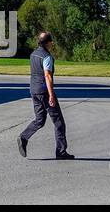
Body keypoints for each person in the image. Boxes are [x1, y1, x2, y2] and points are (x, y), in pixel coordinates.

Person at [18, 32, 73, 160]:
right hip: (43, 91)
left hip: (33, 90)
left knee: (39, 120)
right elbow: (47, 76)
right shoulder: (46, 57)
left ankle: (23, 137)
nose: (52, 43)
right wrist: (51, 95)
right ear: (48, 42)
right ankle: (61, 152)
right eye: (51, 41)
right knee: (59, 123)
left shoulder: (33, 54)